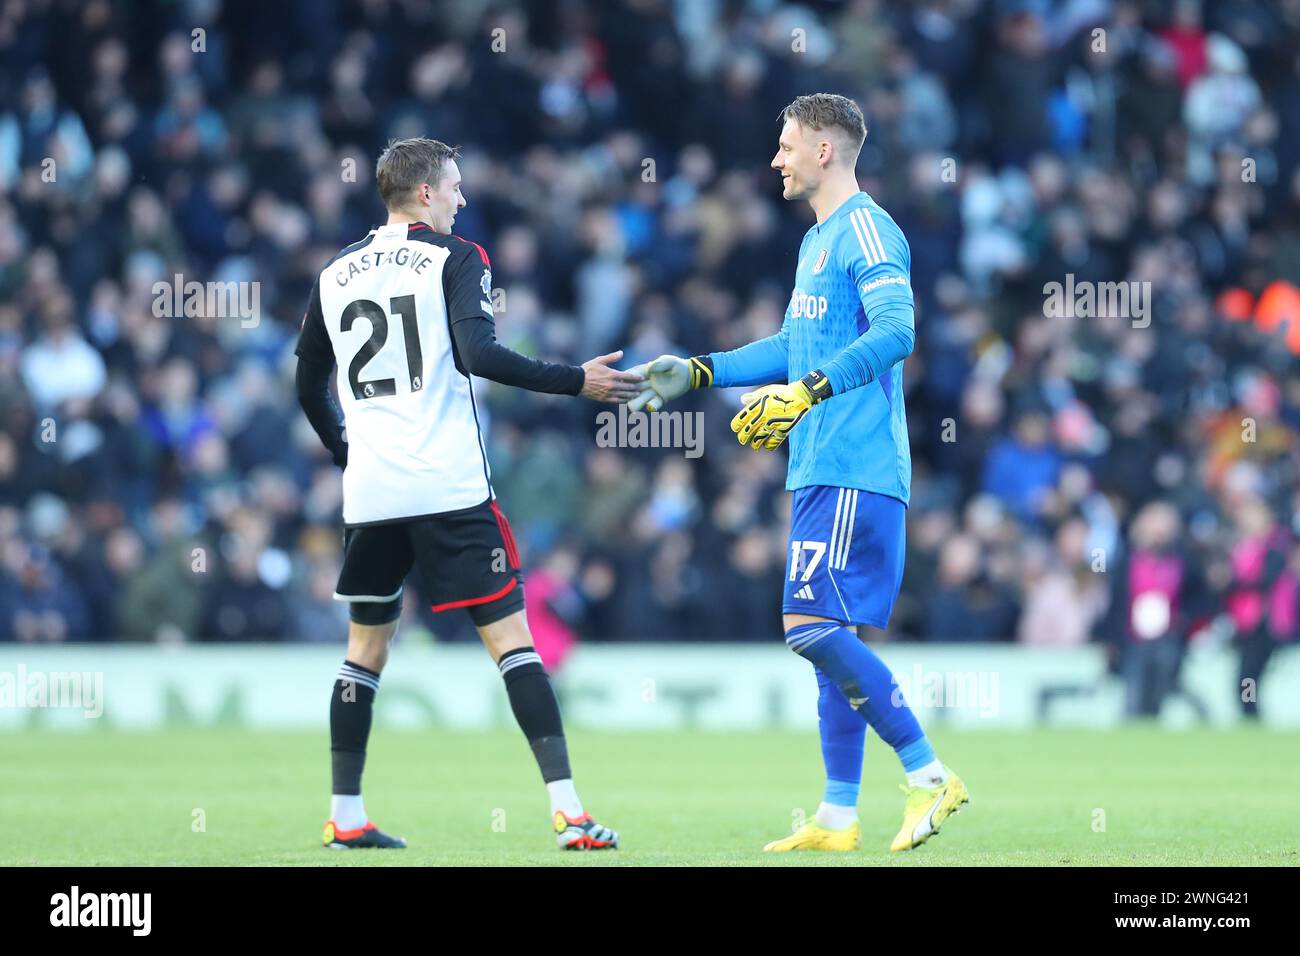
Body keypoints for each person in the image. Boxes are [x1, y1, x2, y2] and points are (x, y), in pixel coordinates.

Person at [629, 94, 968, 852]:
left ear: (824, 150)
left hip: (857, 464)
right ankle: (838, 817)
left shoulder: (867, 229)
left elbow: (898, 332)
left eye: (785, 146)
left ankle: (928, 773)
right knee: (826, 636)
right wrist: (699, 369)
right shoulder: (817, 242)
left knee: (809, 626)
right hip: (819, 467)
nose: (775, 159)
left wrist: (809, 391)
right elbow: (792, 343)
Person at [294, 137, 642, 850]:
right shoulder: (458, 258)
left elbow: (307, 383)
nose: (462, 198)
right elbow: (478, 354)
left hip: (372, 491)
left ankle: (345, 814)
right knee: (513, 644)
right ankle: (570, 811)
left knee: (365, 651)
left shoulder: (334, 272)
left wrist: (345, 452)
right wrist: (579, 380)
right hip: (447, 484)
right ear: (425, 193)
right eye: (454, 186)